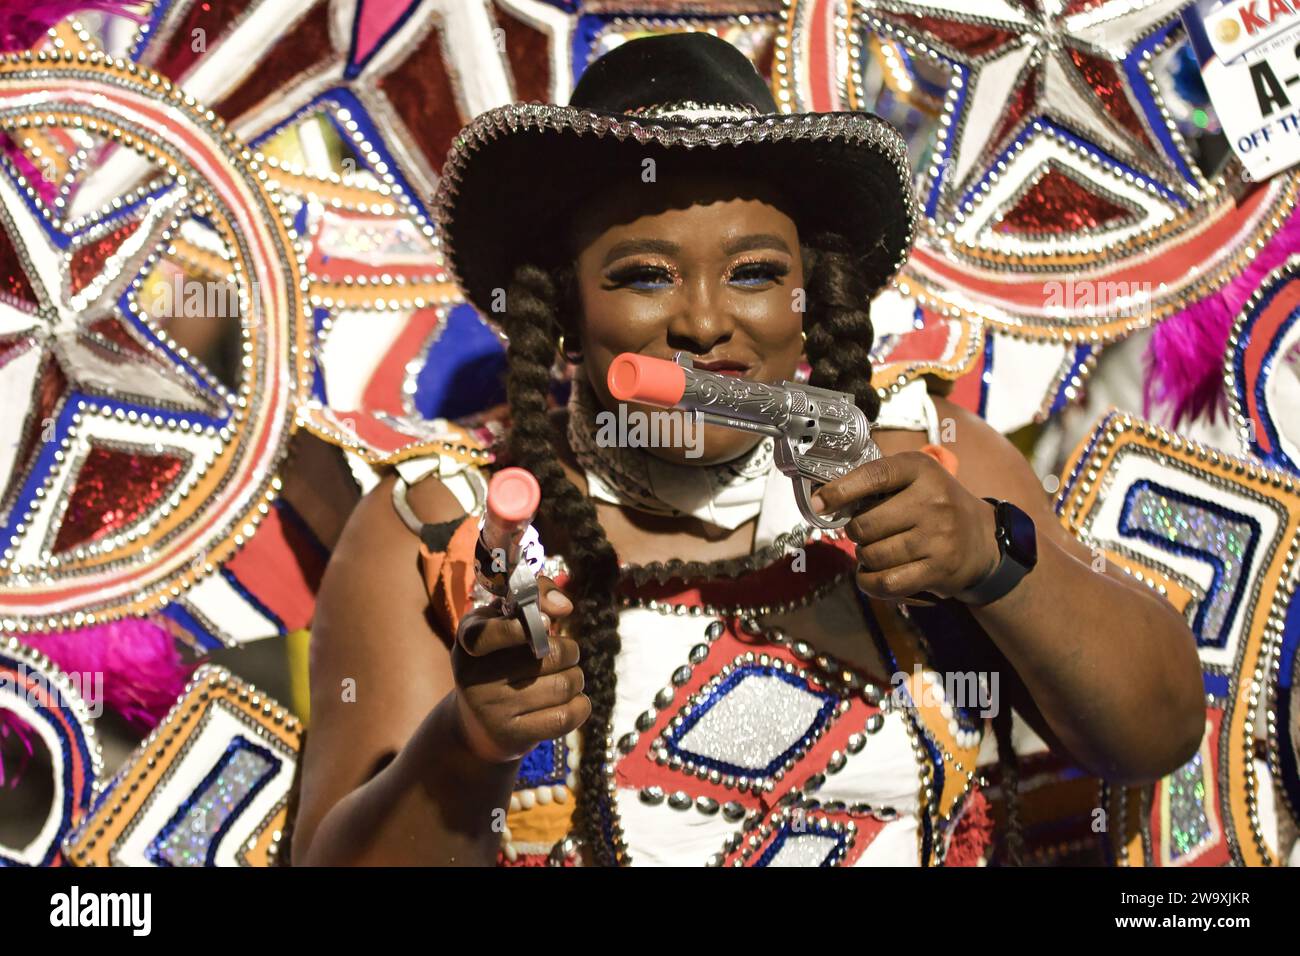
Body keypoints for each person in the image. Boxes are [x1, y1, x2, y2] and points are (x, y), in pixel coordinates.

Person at [288, 32, 1205, 867]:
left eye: (757, 273)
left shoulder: (935, 465)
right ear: (563, 310)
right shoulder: (443, 524)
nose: (703, 321)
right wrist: (470, 744)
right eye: (644, 276)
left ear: (814, 292)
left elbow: (1158, 732)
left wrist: (995, 562)